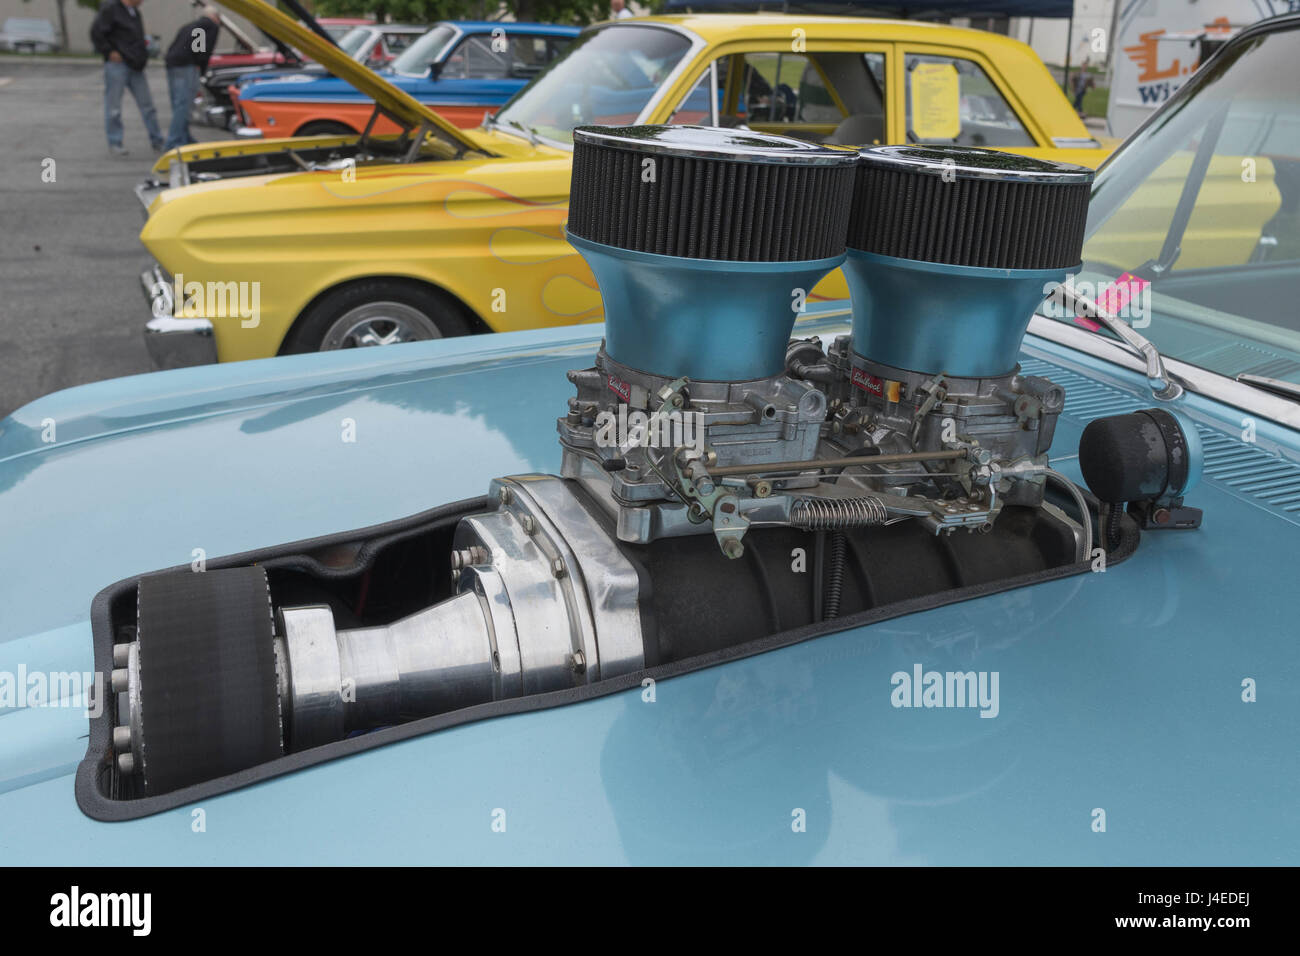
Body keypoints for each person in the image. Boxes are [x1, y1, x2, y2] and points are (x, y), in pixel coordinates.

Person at [90, 0, 163, 156]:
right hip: (118, 65)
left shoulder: (134, 13)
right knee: (114, 107)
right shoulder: (111, 9)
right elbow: (96, 32)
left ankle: (157, 140)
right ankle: (115, 142)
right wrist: (109, 52)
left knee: (147, 105)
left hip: (135, 65)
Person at [163, 6, 220, 150]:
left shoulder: (190, 25)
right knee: (184, 105)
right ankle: (174, 141)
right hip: (187, 65)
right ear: (215, 17)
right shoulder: (211, 26)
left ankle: (184, 137)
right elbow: (202, 50)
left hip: (172, 63)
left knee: (178, 104)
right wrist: (202, 69)